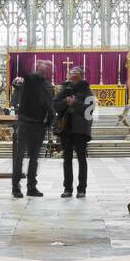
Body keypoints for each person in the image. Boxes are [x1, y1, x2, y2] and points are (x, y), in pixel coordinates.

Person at [11, 64, 53, 199]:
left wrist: (48, 123)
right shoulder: (29, 80)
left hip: (38, 125)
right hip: (25, 123)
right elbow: (20, 67)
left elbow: (50, 106)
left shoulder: (47, 86)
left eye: (47, 68)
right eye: (43, 67)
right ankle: (16, 187)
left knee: (33, 158)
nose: (45, 70)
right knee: (20, 156)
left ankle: (31, 187)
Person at [53, 66, 96, 198]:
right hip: (66, 128)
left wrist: (74, 103)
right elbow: (55, 105)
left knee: (82, 159)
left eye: (76, 75)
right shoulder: (64, 89)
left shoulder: (87, 91)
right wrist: (66, 101)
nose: (72, 77)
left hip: (81, 130)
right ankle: (67, 188)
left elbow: (89, 111)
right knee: (67, 159)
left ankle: (82, 189)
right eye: (71, 75)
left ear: (81, 76)